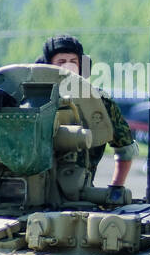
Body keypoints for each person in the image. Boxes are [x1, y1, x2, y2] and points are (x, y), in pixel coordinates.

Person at [37, 35, 138, 204]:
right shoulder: (32, 100)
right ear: (48, 66)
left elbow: (125, 149)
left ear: (82, 66)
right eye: (61, 62)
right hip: (34, 195)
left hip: (81, 197)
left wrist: (115, 189)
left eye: (73, 61)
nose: (67, 67)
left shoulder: (99, 102)